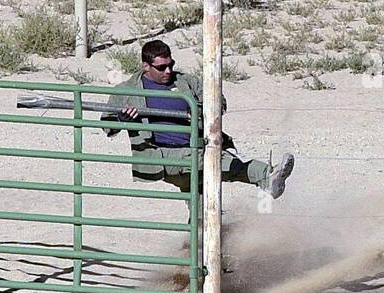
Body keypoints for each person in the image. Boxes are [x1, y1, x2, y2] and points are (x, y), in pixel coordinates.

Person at [106, 40, 294, 201]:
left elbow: (218, 101)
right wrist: (122, 119)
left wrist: (199, 111)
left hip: (197, 143)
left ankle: (195, 241)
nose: (168, 71)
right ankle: (266, 175)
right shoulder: (127, 90)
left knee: (202, 207)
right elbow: (107, 126)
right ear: (146, 66)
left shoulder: (185, 81)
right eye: (161, 67)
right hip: (163, 156)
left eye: (170, 64)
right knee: (214, 160)